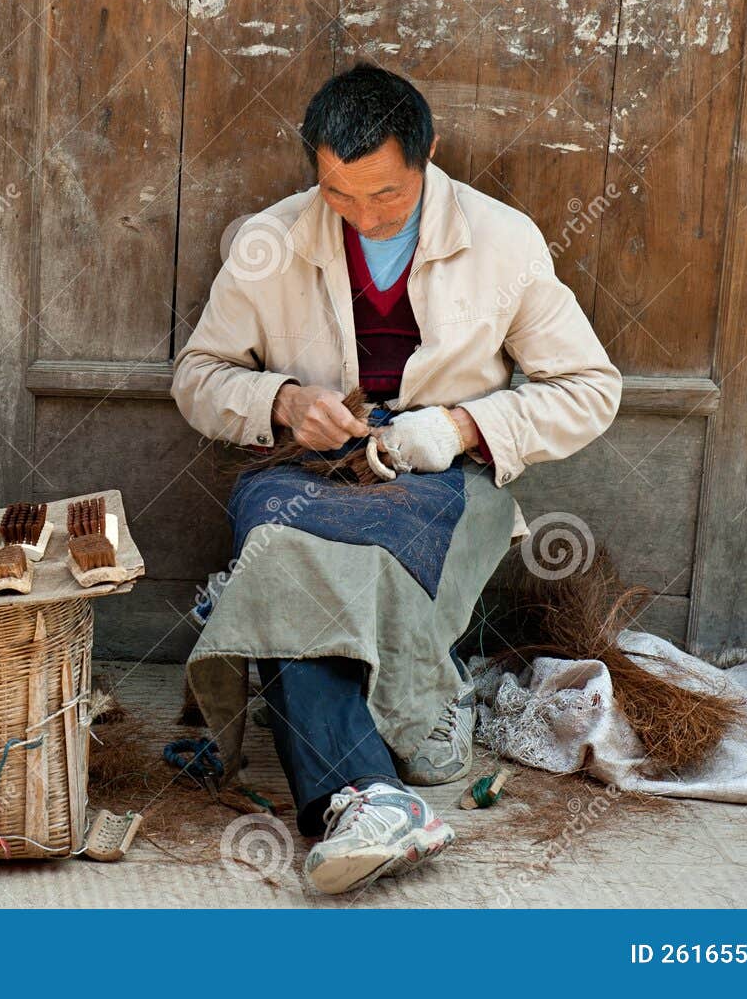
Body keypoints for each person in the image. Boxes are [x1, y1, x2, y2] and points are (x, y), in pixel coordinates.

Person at [171, 63, 620, 894]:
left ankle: (360, 792)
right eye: (339, 195)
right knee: (277, 539)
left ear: (429, 155)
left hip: (447, 480)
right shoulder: (272, 238)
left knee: (292, 570)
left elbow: (591, 389)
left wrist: (458, 426)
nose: (362, 216)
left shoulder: (504, 241)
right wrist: (282, 401)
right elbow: (198, 378)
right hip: (305, 469)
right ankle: (379, 795)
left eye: (385, 195)